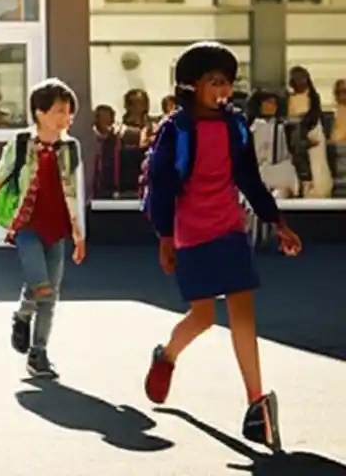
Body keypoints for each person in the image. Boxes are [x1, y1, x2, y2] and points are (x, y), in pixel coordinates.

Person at [142, 41, 303, 452]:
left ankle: (255, 404)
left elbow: (249, 179)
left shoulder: (235, 127)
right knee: (203, 318)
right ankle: (166, 356)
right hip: (191, 233)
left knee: (242, 311)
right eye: (214, 82)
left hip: (230, 228)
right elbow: (159, 188)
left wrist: (277, 222)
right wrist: (164, 236)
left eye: (227, 82)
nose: (223, 91)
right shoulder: (174, 131)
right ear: (191, 85)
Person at [0, 78, 87, 380]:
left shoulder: (71, 147)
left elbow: (76, 190)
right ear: (40, 113)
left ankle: (38, 352)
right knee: (42, 287)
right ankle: (26, 319)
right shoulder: (21, 143)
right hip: (28, 226)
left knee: (51, 292)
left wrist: (79, 234)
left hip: (58, 227)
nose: (66, 117)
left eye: (69, 111)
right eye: (60, 111)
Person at [287, 66, 331, 198]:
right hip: (296, 135)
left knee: (317, 163)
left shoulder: (313, 96)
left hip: (312, 131)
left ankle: (318, 190)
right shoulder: (290, 98)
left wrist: (305, 133)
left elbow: (314, 115)